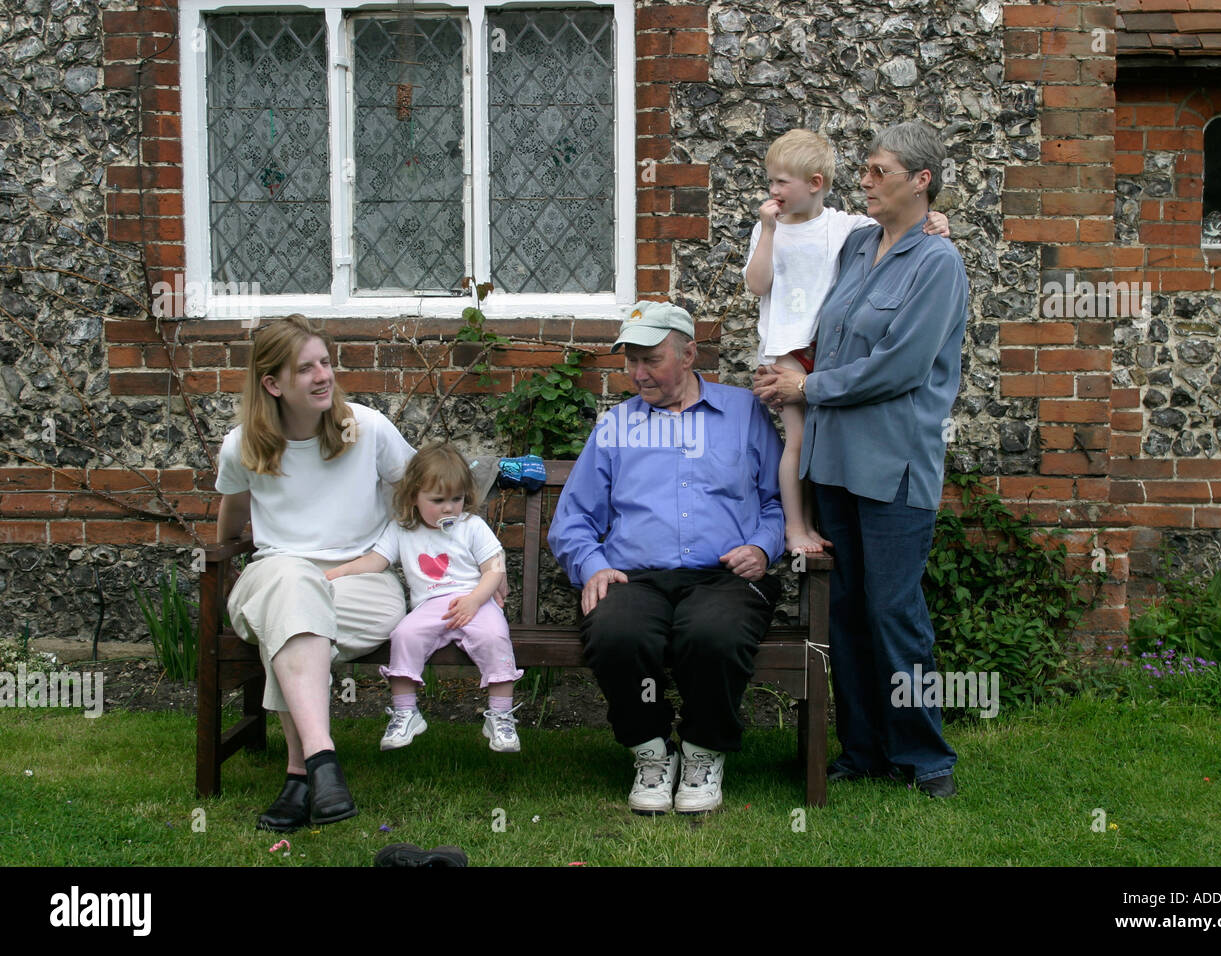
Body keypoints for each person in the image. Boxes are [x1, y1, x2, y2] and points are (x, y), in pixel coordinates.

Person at [753, 121, 969, 798]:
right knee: (843, 610)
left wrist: (809, 386)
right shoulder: (856, 245)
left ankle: (924, 755)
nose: (866, 181)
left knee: (894, 612)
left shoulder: (939, 264)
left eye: (879, 172)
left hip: (895, 466)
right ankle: (863, 749)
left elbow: (901, 366)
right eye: (867, 171)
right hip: (834, 462)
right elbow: (812, 287)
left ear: (920, 181)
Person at [548, 301, 784, 815]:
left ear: (689, 353)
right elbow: (572, 520)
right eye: (631, 361)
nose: (638, 374)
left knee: (712, 635)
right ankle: (650, 750)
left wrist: (764, 546)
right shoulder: (616, 425)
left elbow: (777, 500)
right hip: (636, 577)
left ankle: (702, 751)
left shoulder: (744, 412)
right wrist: (592, 565)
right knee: (616, 634)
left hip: (724, 576)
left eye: (651, 359)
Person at [215, 315, 415, 831]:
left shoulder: (367, 429)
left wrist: (381, 560)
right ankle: (319, 761)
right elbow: (233, 517)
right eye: (306, 369)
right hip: (276, 573)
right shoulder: (243, 444)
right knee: (289, 589)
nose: (323, 375)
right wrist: (222, 565)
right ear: (272, 383)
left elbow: (418, 502)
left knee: (290, 628)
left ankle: (303, 773)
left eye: (325, 362)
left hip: (360, 583)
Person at [743, 128, 949, 556]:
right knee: (799, 439)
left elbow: (903, 225)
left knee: (819, 438)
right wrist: (766, 231)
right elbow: (756, 285)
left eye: (782, 181)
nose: (773, 190)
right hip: (787, 349)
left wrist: (939, 221)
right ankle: (796, 528)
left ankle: (810, 523)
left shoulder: (849, 229)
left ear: (815, 183)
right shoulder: (776, 230)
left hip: (825, 356)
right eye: (771, 180)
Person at [326, 443, 523, 753]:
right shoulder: (403, 530)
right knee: (404, 634)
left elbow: (494, 568)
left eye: (456, 499)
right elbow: (375, 561)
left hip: (475, 600)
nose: (449, 508)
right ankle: (405, 711)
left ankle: (499, 715)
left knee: (495, 636)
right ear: (414, 497)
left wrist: (474, 600)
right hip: (431, 606)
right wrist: (337, 573)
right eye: (438, 500)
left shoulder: (472, 526)